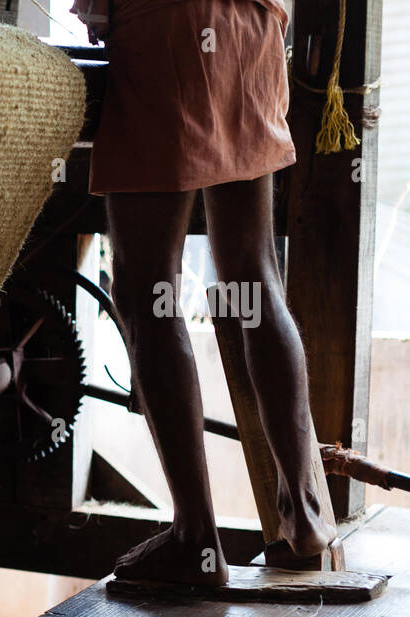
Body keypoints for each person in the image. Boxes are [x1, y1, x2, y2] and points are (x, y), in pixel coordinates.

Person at [73, 0, 336, 586]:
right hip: (254, 29)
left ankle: (195, 539)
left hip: (170, 26)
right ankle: (305, 514)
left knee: (146, 287)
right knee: (254, 272)